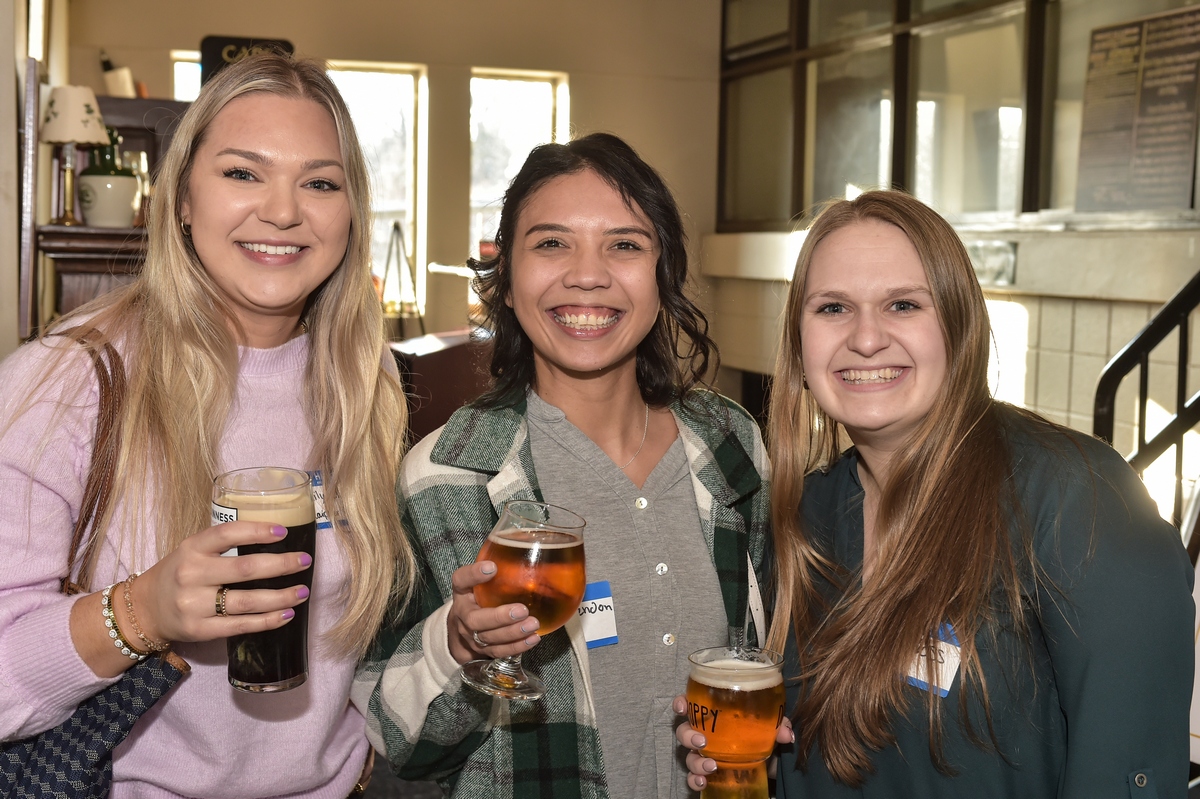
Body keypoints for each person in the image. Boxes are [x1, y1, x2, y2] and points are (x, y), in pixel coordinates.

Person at [679, 189, 1194, 797]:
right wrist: (748, 758)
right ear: (798, 340)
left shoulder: (1077, 498)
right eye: (833, 308)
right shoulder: (805, 519)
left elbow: (1129, 772)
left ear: (958, 323)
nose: (866, 338)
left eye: (902, 304)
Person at [0, 53, 414, 797]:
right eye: (243, 172)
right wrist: (142, 611)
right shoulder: (67, 381)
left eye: (320, 182)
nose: (283, 211)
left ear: (351, 214)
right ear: (183, 198)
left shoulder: (365, 377)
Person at [352, 132, 771, 798]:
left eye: (624, 245)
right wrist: (454, 646)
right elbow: (397, 741)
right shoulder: (446, 476)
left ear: (663, 275)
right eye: (551, 243)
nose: (587, 274)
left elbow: (770, 648)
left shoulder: (732, 442)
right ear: (507, 280)